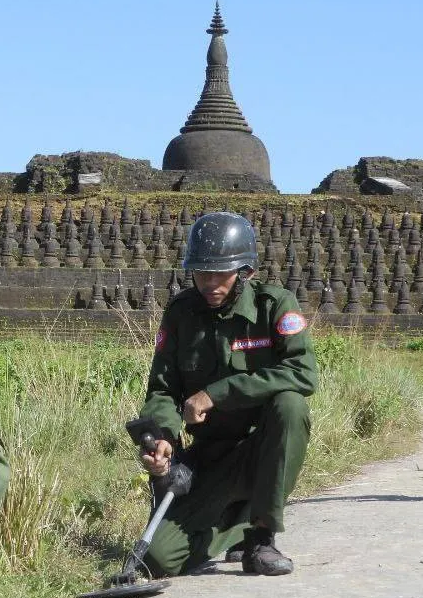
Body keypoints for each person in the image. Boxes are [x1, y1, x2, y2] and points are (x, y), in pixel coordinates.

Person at [135, 211, 318, 578]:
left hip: (260, 453)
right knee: (157, 559)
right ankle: (234, 522)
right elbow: (162, 389)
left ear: (245, 272)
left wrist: (215, 394)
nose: (210, 283)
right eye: (202, 273)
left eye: (221, 274)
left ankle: (260, 538)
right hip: (207, 460)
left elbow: (302, 373)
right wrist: (164, 438)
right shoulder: (181, 314)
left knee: (291, 405)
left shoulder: (274, 306)